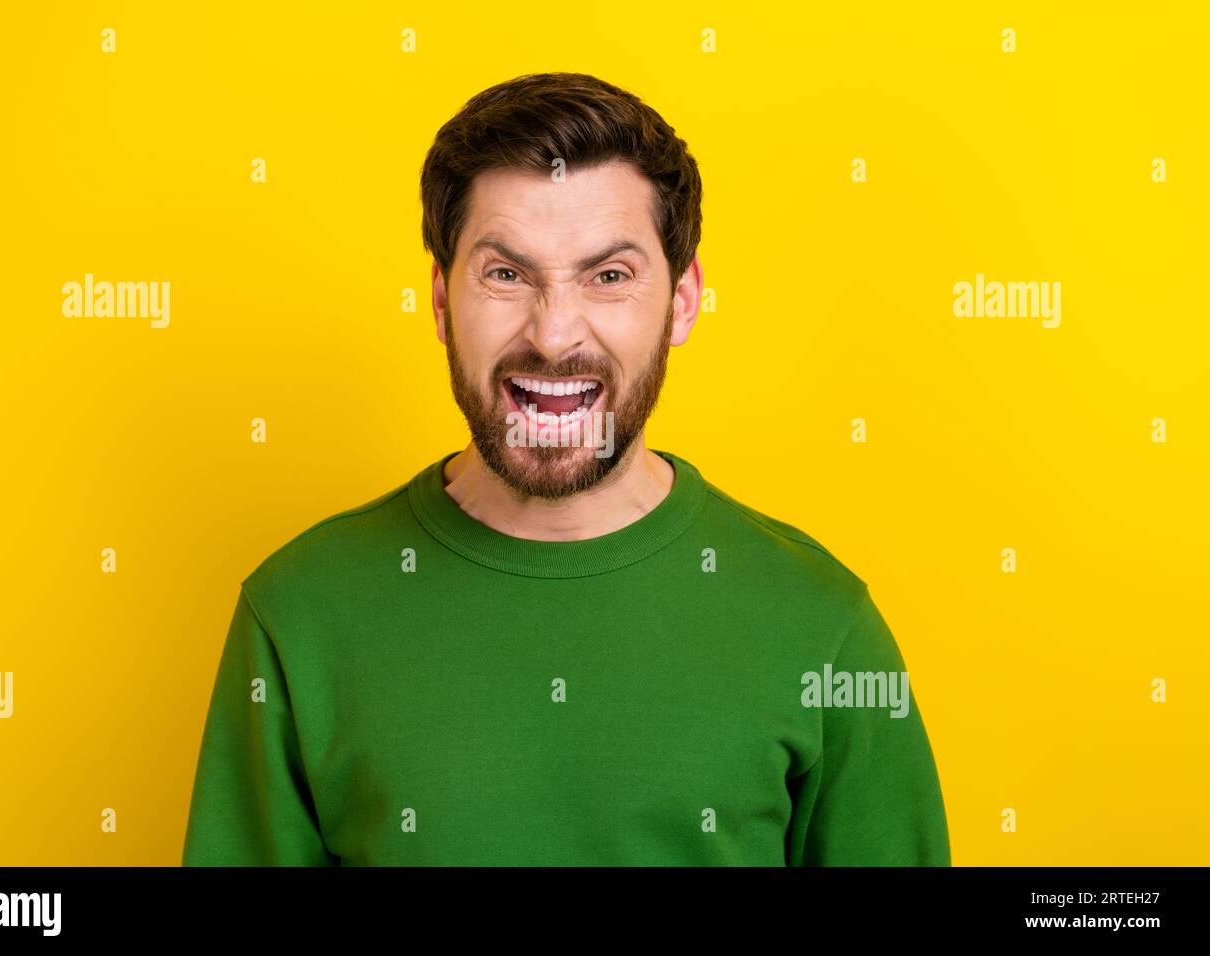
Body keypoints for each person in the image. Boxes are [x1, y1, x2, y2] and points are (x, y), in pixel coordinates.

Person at [181, 71, 950, 866]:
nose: (553, 335)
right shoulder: (297, 615)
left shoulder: (823, 626)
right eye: (506, 275)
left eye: (608, 276)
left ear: (682, 301)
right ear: (443, 301)